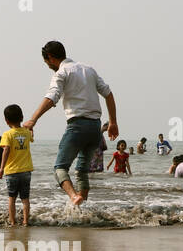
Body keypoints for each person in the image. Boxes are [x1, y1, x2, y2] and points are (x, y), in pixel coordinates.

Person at [23, 40, 117, 207]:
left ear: (50, 57)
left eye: (46, 62)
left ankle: (74, 197)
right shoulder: (89, 69)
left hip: (77, 126)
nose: (47, 66)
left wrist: (33, 119)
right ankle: (82, 209)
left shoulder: (61, 73)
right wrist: (113, 123)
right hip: (95, 127)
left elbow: (52, 97)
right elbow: (108, 94)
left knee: (60, 168)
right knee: (82, 171)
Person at [0, 104, 33, 225]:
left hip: (12, 171)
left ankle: (12, 222)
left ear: (6, 121)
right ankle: (25, 221)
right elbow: (31, 137)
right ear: (22, 117)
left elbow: (6, 150)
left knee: (12, 198)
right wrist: (31, 128)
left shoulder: (7, 134)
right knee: (25, 199)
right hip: (26, 171)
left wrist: (1, 168)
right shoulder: (26, 133)